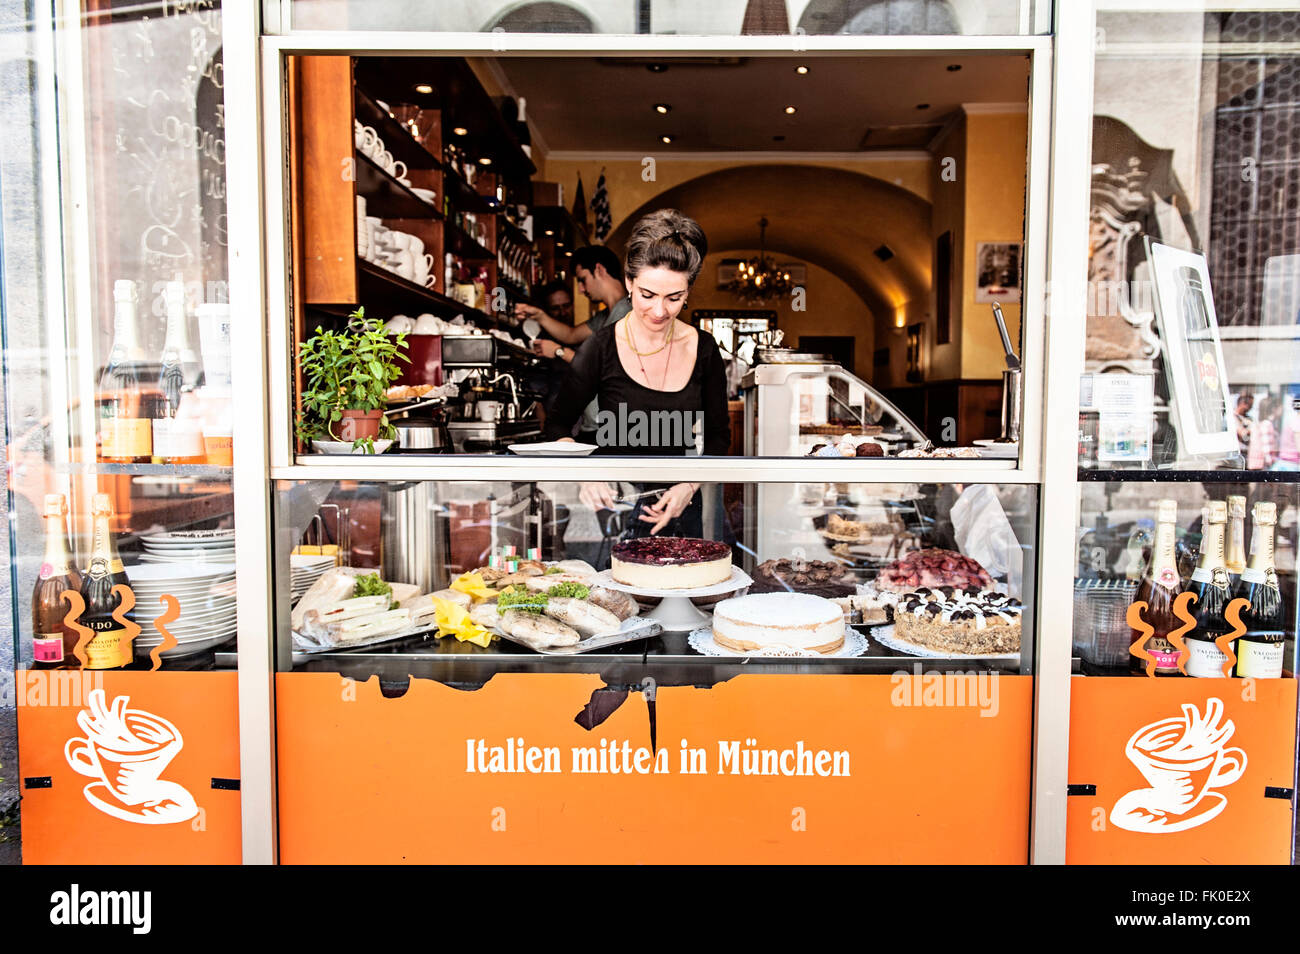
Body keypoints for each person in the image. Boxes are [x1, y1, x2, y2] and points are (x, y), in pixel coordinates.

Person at [544, 209, 730, 535]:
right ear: (629, 282)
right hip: (612, 510)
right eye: (647, 295)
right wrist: (585, 473)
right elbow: (557, 424)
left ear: (689, 290)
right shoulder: (600, 347)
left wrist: (688, 486)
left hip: (678, 507)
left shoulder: (704, 349)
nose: (659, 311)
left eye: (674, 297)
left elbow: (718, 436)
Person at [517, 246, 630, 442]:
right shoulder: (606, 316)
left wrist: (559, 352)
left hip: (612, 427)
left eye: (582, 280)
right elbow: (570, 334)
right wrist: (540, 316)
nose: (581, 289)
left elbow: (607, 367)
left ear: (599, 270)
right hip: (597, 424)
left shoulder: (628, 312)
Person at [1247, 394, 1279, 470]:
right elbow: (1266, 447)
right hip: (1262, 464)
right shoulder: (1267, 424)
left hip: (1256, 462)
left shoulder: (1260, 424)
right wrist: (1271, 462)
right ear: (1273, 409)